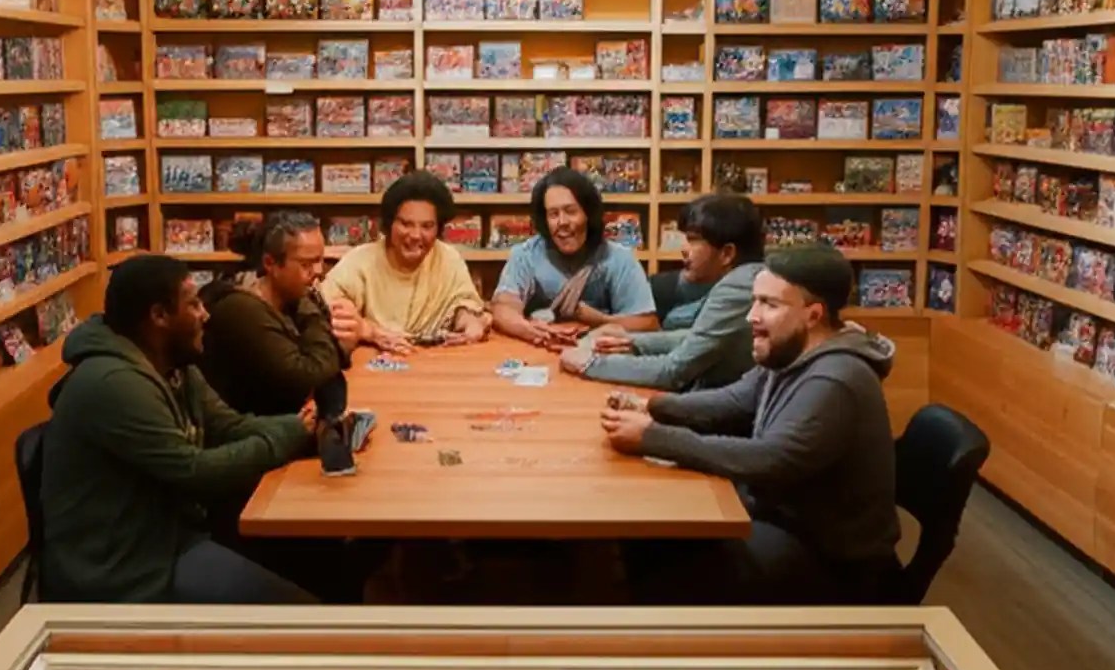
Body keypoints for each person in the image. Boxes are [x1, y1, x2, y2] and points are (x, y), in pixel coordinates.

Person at [601, 244, 902, 605]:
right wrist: (653, 405)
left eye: (769, 305)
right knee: (652, 534)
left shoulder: (835, 380)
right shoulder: (794, 351)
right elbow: (734, 400)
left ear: (813, 314)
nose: (751, 317)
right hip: (783, 524)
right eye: (755, 301)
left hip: (830, 563)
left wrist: (653, 437)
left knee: (657, 548)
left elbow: (768, 460)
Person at [40, 254, 315, 604]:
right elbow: (195, 471)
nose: (206, 314)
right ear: (159, 316)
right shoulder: (114, 384)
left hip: (172, 536)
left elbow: (230, 426)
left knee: (313, 561)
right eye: (193, 304)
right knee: (299, 613)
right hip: (129, 569)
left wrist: (305, 427)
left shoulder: (174, 364)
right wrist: (291, 435)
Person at [560, 194, 766, 391]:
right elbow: (699, 337)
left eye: (693, 240)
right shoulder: (747, 279)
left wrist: (591, 363)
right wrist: (632, 342)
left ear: (727, 253)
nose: (684, 249)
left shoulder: (737, 289)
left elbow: (673, 371)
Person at [320, 170, 490, 353]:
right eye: (406, 224)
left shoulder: (449, 259)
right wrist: (369, 331)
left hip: (433, 360)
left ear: (438, 229)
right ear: (390, 224)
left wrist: (469, 322)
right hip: (373, 361)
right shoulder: (360, 261)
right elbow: (322, 309)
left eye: (427, 226)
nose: (416, 235)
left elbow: (464, 304)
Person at [491, 167, 658, 348]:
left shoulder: (618, 258)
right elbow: (503, 308)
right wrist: (532, 331)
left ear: (588, 214)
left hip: (597, 354)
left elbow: (647, 323)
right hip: (536, 350)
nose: (562, 222)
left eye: (570, 211)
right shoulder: (526, 255)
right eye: (553, 214)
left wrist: (600, 320)